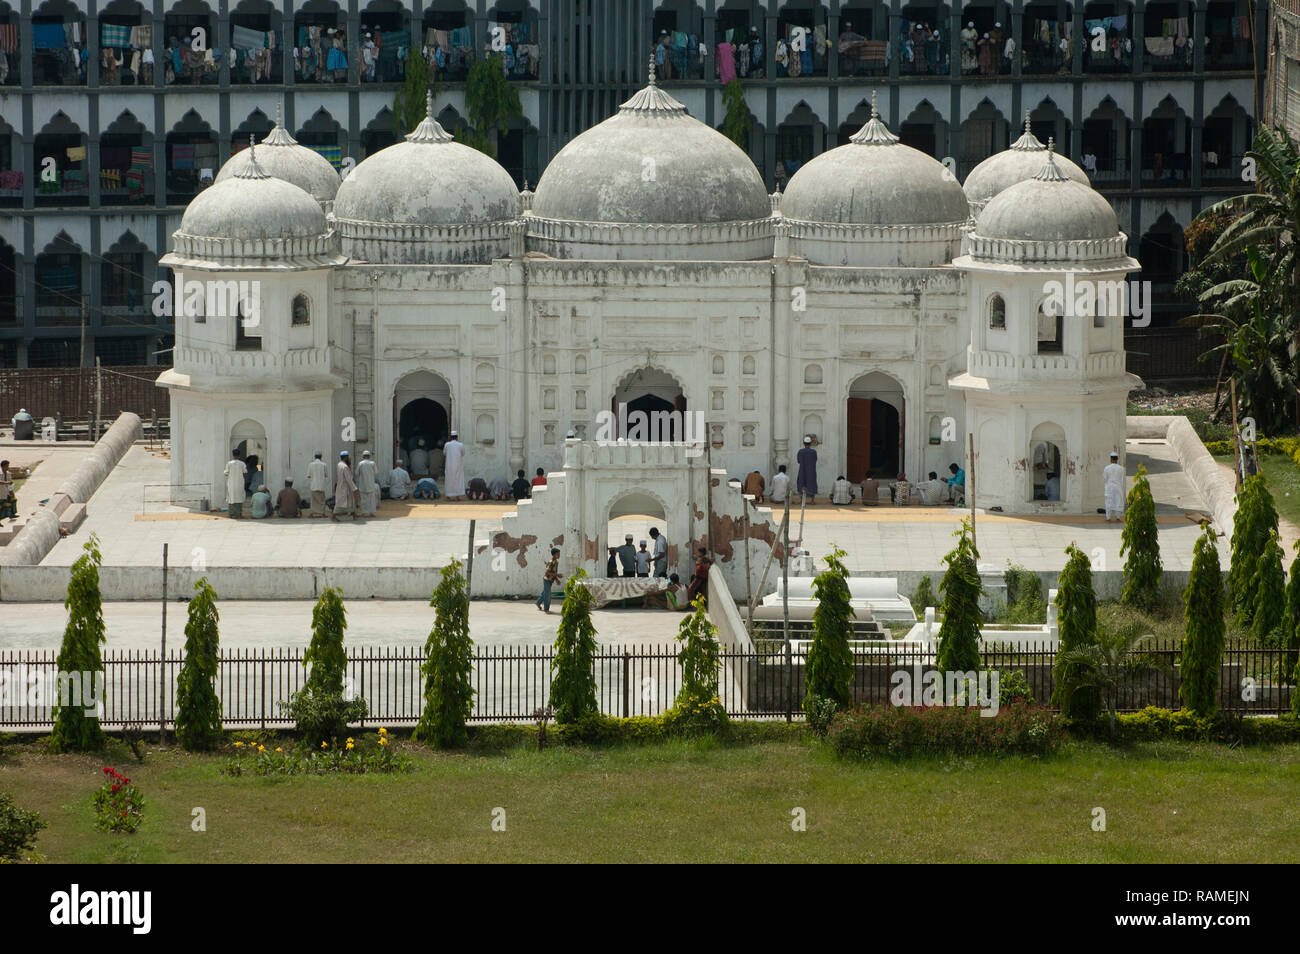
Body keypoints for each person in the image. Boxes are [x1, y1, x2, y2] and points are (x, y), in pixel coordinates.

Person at [332, 450, 359, 521]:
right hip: (345, 487)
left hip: (341, 486)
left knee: (349, 501)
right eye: (348, 457)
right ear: (346, 457)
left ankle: (353, 514)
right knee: (341, 503)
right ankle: (334, 516)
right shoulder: (345, 467)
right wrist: (354, 488)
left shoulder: (339, 464)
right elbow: (349, 479)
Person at [536, 547, 563, 613]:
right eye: (558, 554)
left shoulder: (556, 562)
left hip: (550, 580)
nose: (559, 555)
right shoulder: (551, 562)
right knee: (548, 595)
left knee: (545, 593)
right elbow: (547, 572)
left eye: (559, 554)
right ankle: (546, 609)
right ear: (554, 555)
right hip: (547, 580)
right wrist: (557, 575)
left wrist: (557, 580)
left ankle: (538, 603)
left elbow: (554, 572)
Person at [443, 430, 466, 500]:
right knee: (458, 480)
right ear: (457, 437)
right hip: (458, 465)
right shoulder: (460, 445)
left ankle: (448, 495)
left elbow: (444, 453)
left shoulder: (447, 444)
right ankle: (457, 496)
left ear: (450, 437)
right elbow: (463, 453)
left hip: (449, 465)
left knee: (448, 480)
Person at [224, 449, 247, 518]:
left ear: (233, 455)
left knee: (231, 498)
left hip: (231, 484)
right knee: (239, 497)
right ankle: (239, 514)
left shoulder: (229, 463)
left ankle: (231, 514)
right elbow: (245, 473)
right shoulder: (242, 464)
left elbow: (226, 473)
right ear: (239, 455)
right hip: (240, 483)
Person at [356, 449, 379, 516]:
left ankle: (365, 513)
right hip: (371, 484)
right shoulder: (372, 463)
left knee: (364, 500)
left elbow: (357, 473)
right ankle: (372, 512)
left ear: (363, 456)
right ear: (369, 456)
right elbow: (376, 472)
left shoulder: (360, 463)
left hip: (363, 484)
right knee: (372, 500)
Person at [796, 436, 818, 504]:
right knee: (812, 483)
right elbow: (815, 460)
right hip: (811, 470)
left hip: (802, 470)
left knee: (801, 483)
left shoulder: (800, 451)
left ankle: (801, 500)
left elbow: (798, 461)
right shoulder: (813, 452)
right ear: (810, 443)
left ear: (804, 443)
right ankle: (812, 500)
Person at [1103, 451, 1125, 522]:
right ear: (1117, 459)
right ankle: (1118, 517)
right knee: (1118, 501)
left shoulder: (1107, 468)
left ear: (1111, 459)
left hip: (1109, 487)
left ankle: (1108, 518)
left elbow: (1104, 478)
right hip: (1118, 487)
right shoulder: (1121, 468)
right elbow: (1121, 479)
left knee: (1108, 501)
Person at [307, 452, 329, 517]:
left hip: (313, 485)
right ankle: (322, 513)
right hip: (321, 485)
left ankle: (312, 513)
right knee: (322, 500)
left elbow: (308, 475)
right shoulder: (324, 464)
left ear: (314, 457)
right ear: (321, 457)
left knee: (313, 501)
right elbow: (326, 475)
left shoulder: (310, 464)